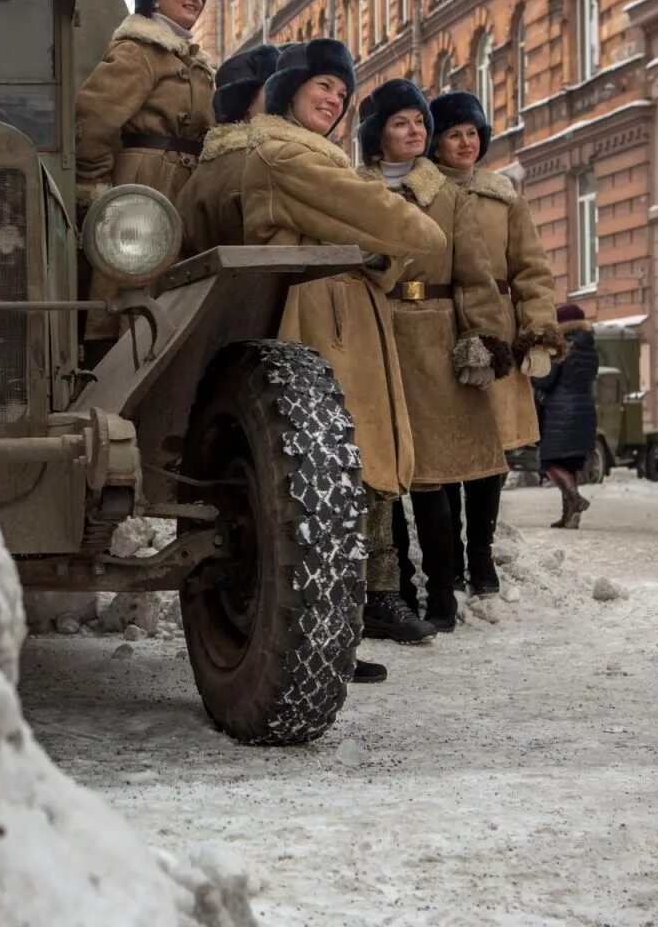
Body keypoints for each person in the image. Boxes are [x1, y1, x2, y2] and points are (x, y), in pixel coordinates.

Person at [219, 40, 446, 680]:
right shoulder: (285, 153)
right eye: (323, 86)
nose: (333, 100)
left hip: (345, 317)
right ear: (289, 88)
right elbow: (407, 231)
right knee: (325, 490)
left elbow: (381, 246)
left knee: (346, 485)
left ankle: (342, 632)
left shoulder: (311, 156)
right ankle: (324, 641)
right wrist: (384, 247)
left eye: (342, 95)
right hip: (320, 320)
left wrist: (374, 254)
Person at [356, 79, 511, 635]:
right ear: (378, 135)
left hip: (436, 342)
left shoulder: (451, 195)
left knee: (437, 476)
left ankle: (442, 597)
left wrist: (484, 339)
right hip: (376, 335)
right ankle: (394, 594)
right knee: (387, 473)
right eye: (402, 123)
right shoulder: (355, 189)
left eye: (420, 123)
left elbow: (476, 277)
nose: (416, 131)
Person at [429, 91, 561, 594]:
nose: (465, 143)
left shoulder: (505, 197)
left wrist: (537, 331)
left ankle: (480, 555)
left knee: (492, 445)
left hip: (500, 331)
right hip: (441, 328)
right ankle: (448, 554)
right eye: (454, 134)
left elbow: (533, 271)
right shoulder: (422, 192)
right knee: (448, 443)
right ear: (436, 142)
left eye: (472, 134)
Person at [75, 0, 216, 340]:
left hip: (184, 189)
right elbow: (94, 116)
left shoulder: (194, 62)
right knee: (131, 298)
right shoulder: (139, 50)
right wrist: (98, 190)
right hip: (143, 185)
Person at [173, 43, 290, 253]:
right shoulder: (255, 165)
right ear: (244, 103)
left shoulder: (215, 163)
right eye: (273, 88)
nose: (284, 98)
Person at [534, 304, 598, 528]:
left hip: (560, 411)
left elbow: (546, 380)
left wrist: (534, 375)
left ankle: (574, 498)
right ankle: (570, 516)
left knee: (549, 461)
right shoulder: (590, 347)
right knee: (570, 463)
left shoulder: (562, 346)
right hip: (585, 410)